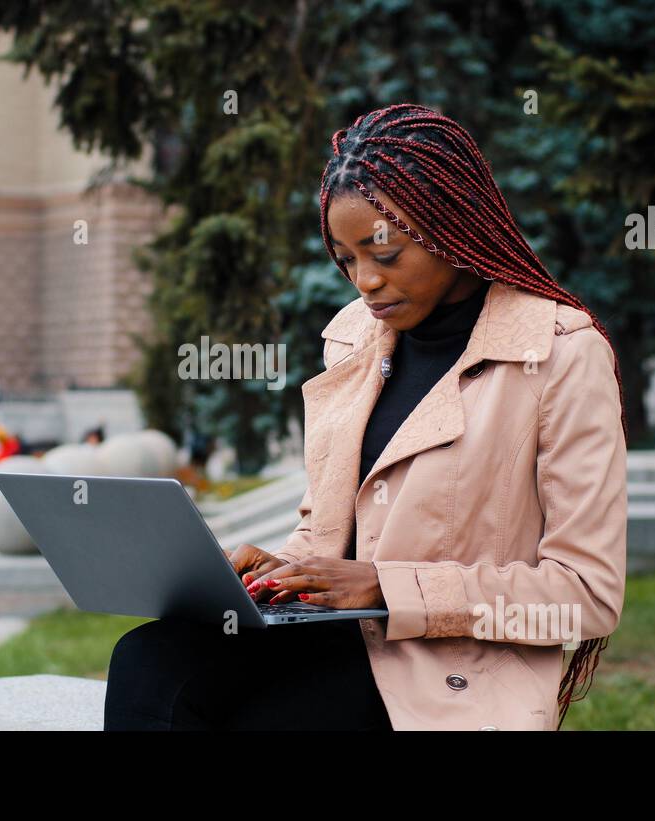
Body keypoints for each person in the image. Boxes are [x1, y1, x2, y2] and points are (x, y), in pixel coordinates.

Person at [105, 104, 628, 731]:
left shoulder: (562, 353)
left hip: (451, 673)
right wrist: (281, 572)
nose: (366, 282)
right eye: (346, 259)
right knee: (148, 658)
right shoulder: (353, 338)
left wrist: (386, 587)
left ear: (450, 226)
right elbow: (332, 532)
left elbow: (585, 596)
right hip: (335, 639)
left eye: (385, 254)